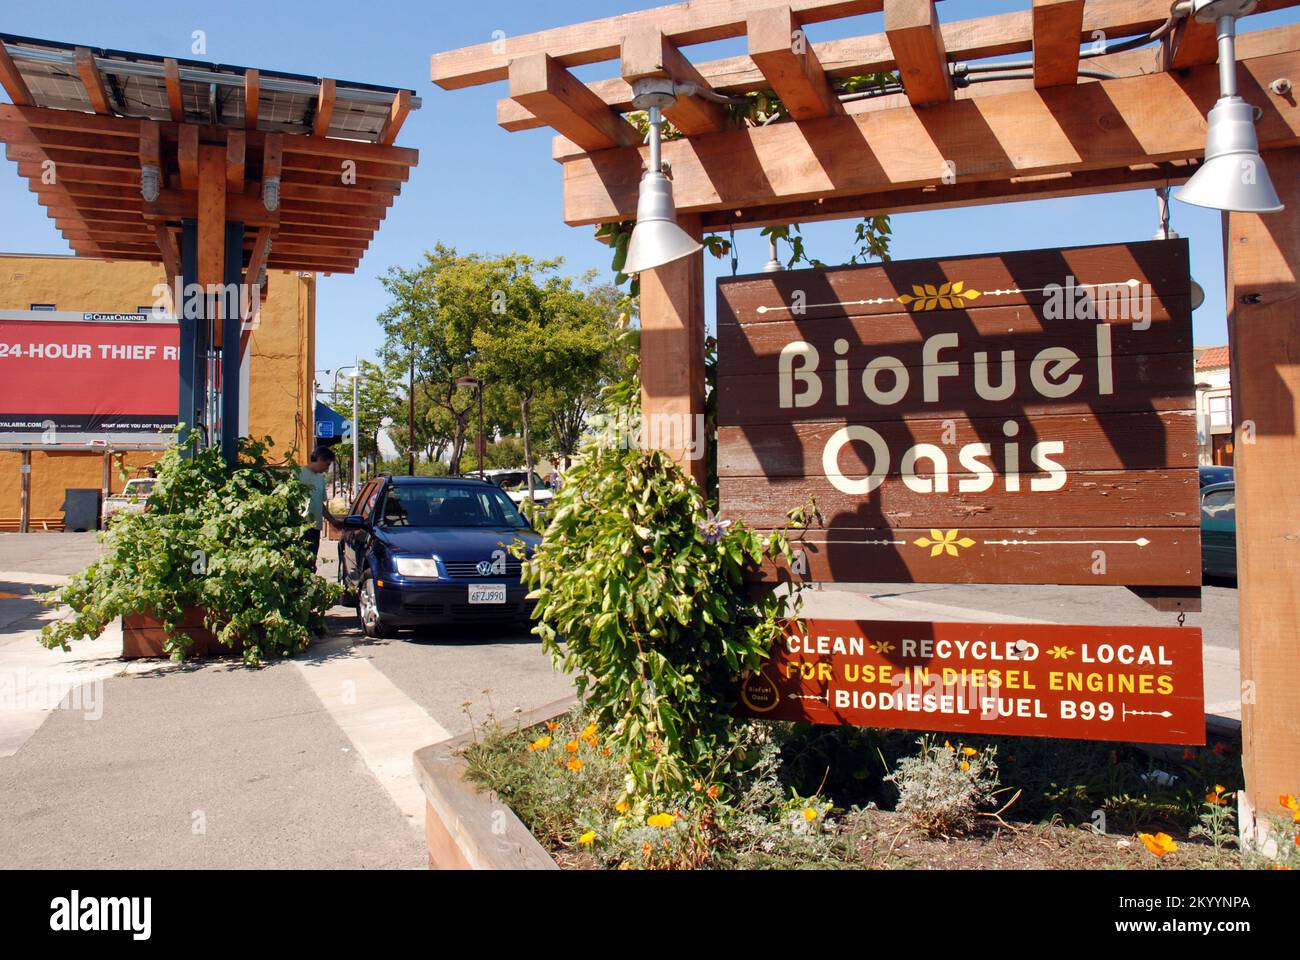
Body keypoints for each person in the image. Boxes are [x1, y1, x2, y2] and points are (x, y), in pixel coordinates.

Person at [299, 446, 341, 567]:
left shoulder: (320, 479)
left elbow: (319, 503)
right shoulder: (299, 473)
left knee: (311, 561)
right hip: (301, 526)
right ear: (320, 459)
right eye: (327, 465)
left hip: (315, 527)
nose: (327, 469)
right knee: (301, 561)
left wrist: (332, 520)